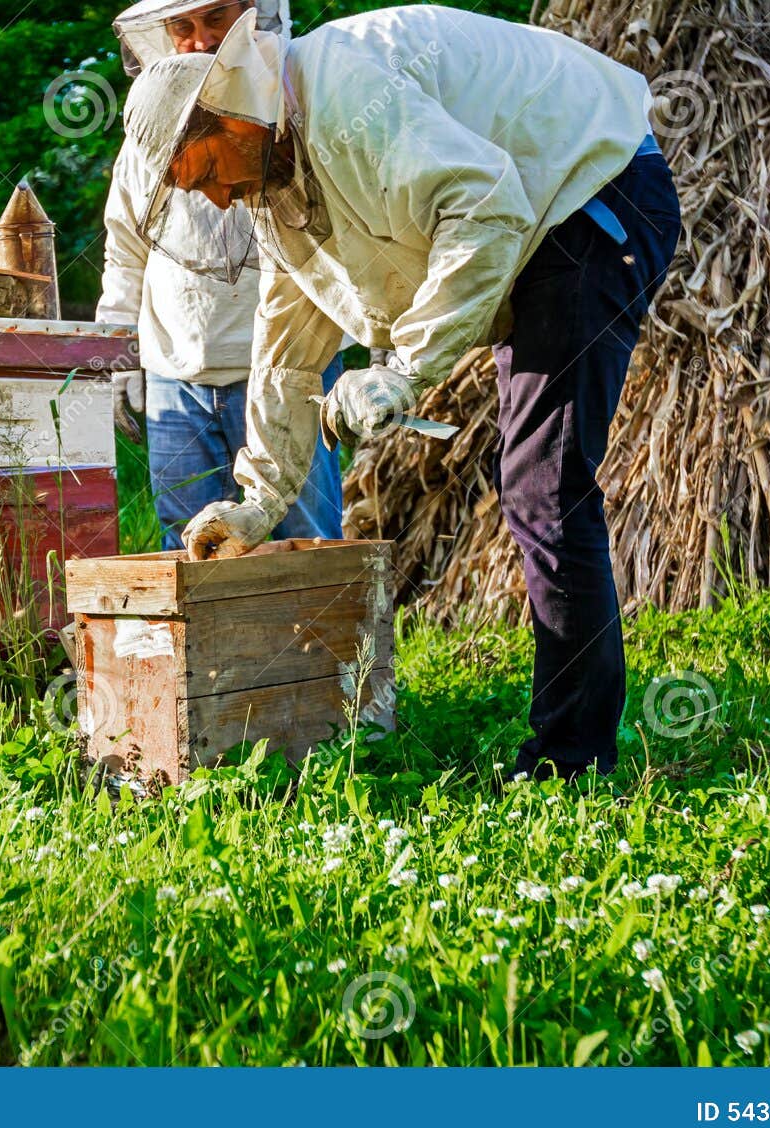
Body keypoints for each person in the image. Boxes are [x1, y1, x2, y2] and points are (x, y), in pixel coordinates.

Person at [123, 5, 682, 779]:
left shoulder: (346, 99)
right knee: (534, 485)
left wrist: (402, 369)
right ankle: (569, 738)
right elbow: (285, 358)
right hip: (539, 220)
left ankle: (571, 756)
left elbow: (487, 205)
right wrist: (257, 501)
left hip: (595, 187)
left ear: (230, 115)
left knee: (544, 486)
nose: (217, 199)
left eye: (211, 172)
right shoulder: (279, 182)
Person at [96, 0, 344, 550]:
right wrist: (117, 353)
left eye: (217, 20)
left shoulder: (294, 104)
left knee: (307, 547)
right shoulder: (150, 126)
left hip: (291, 369)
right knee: (189, 551)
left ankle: (326, 643)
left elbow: (347, 237)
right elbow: (126, 248)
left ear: (254, 13)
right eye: (183, 27)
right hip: (174, 378)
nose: (201, 40)